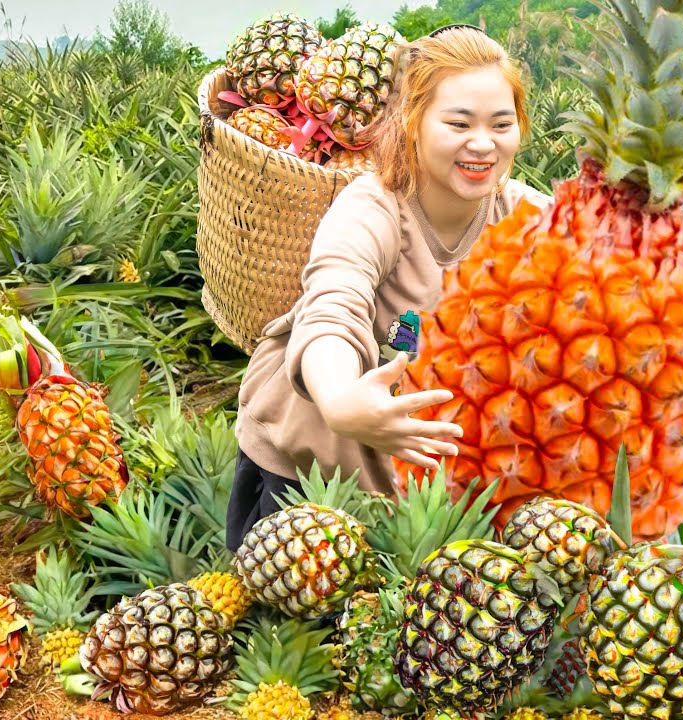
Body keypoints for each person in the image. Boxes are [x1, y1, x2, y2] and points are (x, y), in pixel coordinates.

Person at [226, 24, 552, 551]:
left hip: (435, 475)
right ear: (412, 123)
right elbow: (334, 301)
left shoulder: (526, 215)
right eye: (458, 122)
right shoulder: (374, 206)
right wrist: (338, 400)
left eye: (501, 123)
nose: (482, 143)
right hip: (316, 463)